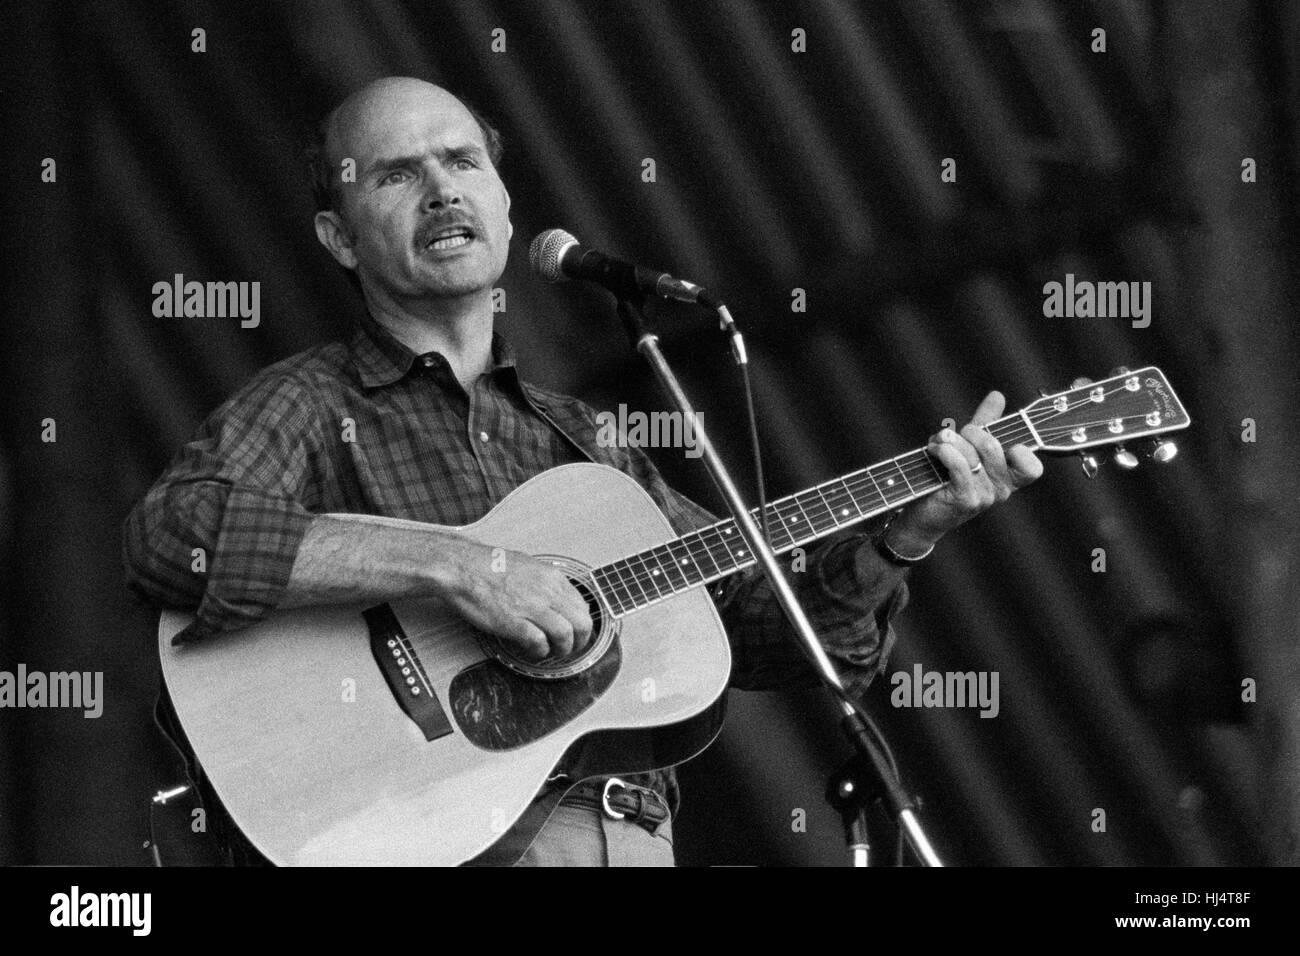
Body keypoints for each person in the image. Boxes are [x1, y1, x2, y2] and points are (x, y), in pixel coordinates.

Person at [122, 77, 1043, 866]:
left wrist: (906, 532)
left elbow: (788, 640)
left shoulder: (593, 444)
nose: (443, 192)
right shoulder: (313, 404)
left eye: (462, 163)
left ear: (506, 205)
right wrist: (457, 568)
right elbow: (172, 540)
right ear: (338, 237)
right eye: (400, 175)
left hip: (630, 843)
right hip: (438, 840)